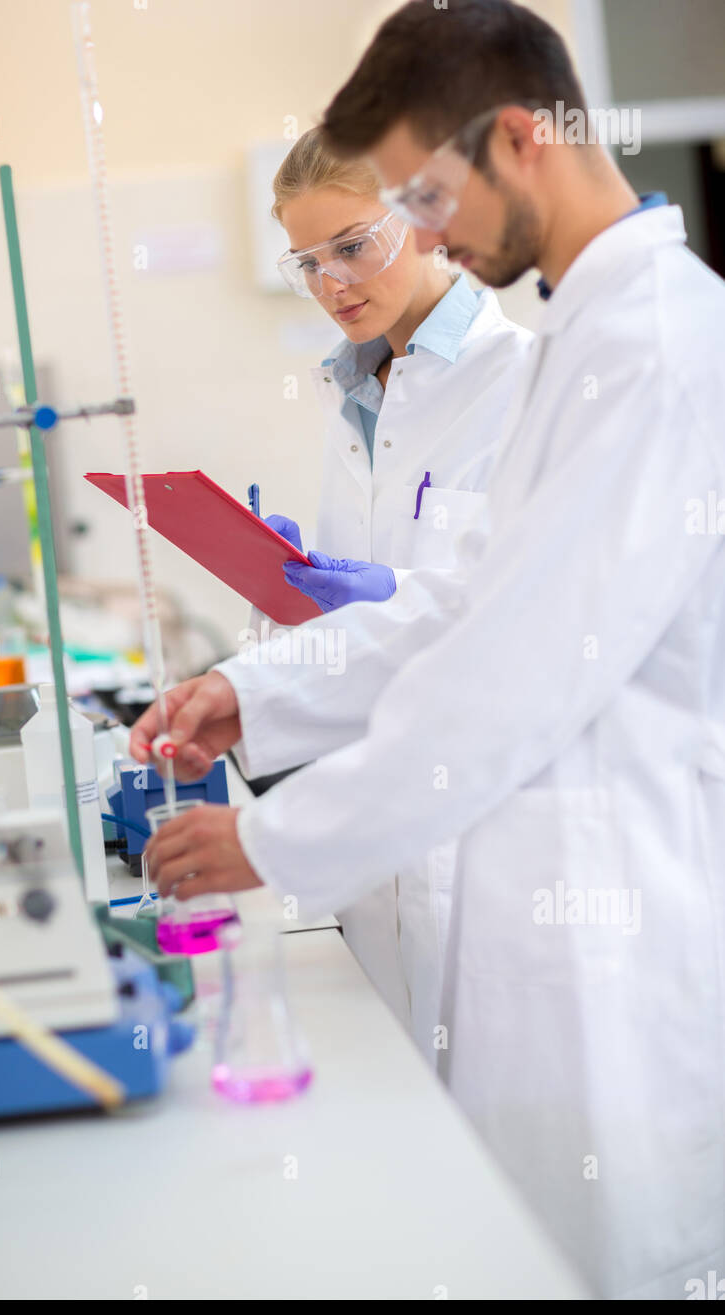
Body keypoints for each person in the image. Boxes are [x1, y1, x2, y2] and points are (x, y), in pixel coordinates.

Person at [131, 0, 725, 1299]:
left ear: (518, 137)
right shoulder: (591, 334)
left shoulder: (656, 349)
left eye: (422, 194)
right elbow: (457, 608)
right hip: (533, 910)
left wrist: (277, 840)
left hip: (607, 937)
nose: (426, 232)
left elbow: (508, 671)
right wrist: (257, 686)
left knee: (609, 1286)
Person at [255, 126, 531, 1050]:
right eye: (307, 261)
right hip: (384, 840)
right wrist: (281, 587)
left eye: (352, 246)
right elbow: (355, 645)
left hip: (492, 845)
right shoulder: (356, 394)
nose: (332, 282)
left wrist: (386, 597)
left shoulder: (522, 381)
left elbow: (522, 619)